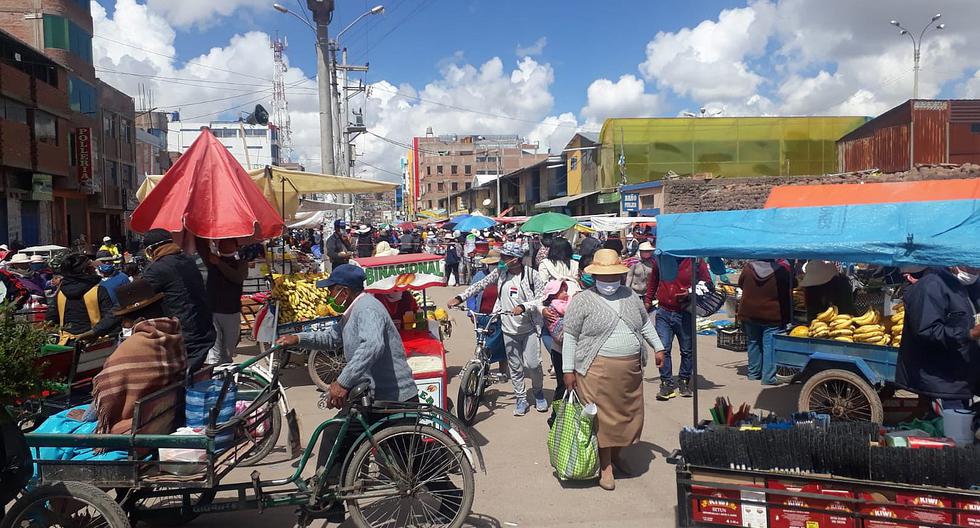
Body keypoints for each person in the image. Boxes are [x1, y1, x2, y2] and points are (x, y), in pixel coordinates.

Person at [275, 264, 418, 521]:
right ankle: (329, 498)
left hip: (391, 397)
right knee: (338, 436)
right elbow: (332, 338)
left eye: (332, 291)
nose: (330, 296)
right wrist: (298, 339)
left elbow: (372, 345)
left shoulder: (367, 309)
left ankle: (328, 499)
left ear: (344, 291)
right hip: (373, 395)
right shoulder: (353, 311)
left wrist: (342, 382)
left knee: (409, 462)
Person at [562, 249, 665, 491]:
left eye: (613, 277)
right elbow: (570, 337)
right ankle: (605, 466)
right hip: (596, 370)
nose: (610, 282)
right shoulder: (582, 300)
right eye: (605, 277)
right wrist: (568, 370)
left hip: (629, 371)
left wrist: (658, 347)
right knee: (603, 420)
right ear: (595, 276)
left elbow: (644, 325)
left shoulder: (630, 296)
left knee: (629, 416)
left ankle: (617, 455)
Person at [448, 242, 546, 415]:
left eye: (505, 257)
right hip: (508, 328)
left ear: (515, 259)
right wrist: (460, 297)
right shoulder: (501, 273)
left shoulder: (532, 275)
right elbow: (480, 285)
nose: (501, 261)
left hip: (529, 328)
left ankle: (538, 392)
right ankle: (521, 398)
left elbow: (541, 299)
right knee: (515, 366)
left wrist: (524, 306)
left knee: (533, 364)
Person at [90, 279, 186, 434]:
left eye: (125, 320)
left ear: (137, 320)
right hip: (164, 414)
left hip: (137, 424)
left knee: (59, 423)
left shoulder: (132, 347)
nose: (124, 325)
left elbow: (105, 398)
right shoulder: (173, 335)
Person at [896, 265, 980, 410]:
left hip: (964, 379)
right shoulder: (932, 285)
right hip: (942, 381)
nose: (976, 271)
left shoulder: (971, 285)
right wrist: (970, 334)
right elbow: (927, 330)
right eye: (971, 266)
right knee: (951, 428)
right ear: (954, 263)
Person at [141, 229, 215, 373]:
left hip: (185, 337)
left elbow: (134, 298)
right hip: (203, 330)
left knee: (177, 384)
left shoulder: (158, 268)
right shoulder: (187, 260)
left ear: (151, 249)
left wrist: (98, 330)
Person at [645, 255, 713, 400]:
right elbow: (653, 281)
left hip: (685, 312)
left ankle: (684, 381)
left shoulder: (695, 260)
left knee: (687, 350)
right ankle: (666, 383)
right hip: (663, 311)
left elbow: (708, 283)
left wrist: (689, 292)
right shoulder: (661, 260)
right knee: (663, 348)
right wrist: (648, 300)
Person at [737, 260, 794, 385]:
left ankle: (753, 374)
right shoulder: (781, 271)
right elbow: (789, 289)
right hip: (772, 314)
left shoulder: (748, 268)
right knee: (769, 346)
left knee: (753, 342)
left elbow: (741, 284)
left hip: (749, 312)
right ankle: (768, 377)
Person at [45, 253, 119, 345]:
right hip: (95, 343)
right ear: (85, 271)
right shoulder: (98, 290)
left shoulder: (61, 292)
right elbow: (110, 317)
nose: (95, 269)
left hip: (66, 342)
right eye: (91, 267)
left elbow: (51, 318)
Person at [198, 238, 248, 365]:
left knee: (227, 353)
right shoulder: (211, 262)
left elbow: (237, 277)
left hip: (231, 312)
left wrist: (219, 262)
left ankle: (225, 379)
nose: (226, 244)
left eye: (230, 242)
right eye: (222, 242)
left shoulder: (241, 263)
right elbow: (201, 248)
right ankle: (215, 379)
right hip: (213, 311)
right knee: (214, 353)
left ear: (236, 246)